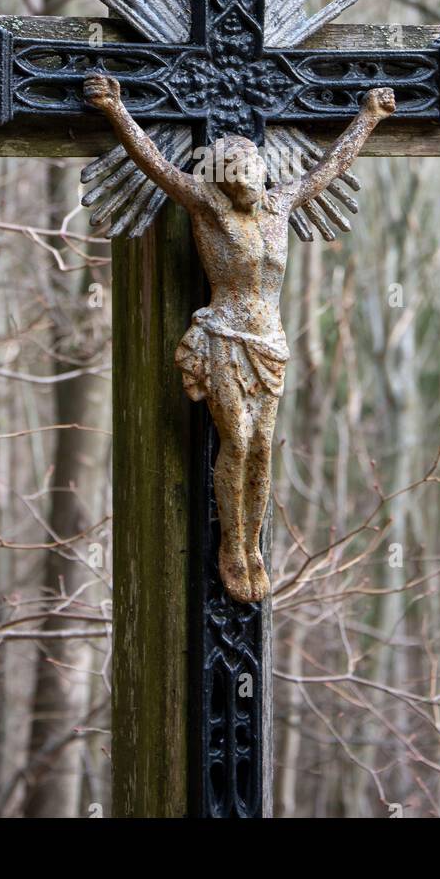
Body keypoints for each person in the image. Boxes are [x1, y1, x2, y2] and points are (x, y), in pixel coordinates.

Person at [84, 72, 396, 604]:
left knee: (264, 449)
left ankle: (254, 546)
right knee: (241, 440)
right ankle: (232, 546)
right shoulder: (207, 206)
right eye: (237, 174)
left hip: (269, 342)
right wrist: (115, 109)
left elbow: (329, 169)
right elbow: (154, 165)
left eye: (253, 170)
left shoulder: (280, 206)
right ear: (223, 179)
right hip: (225, 336)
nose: (248, 180)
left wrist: (368, 116)